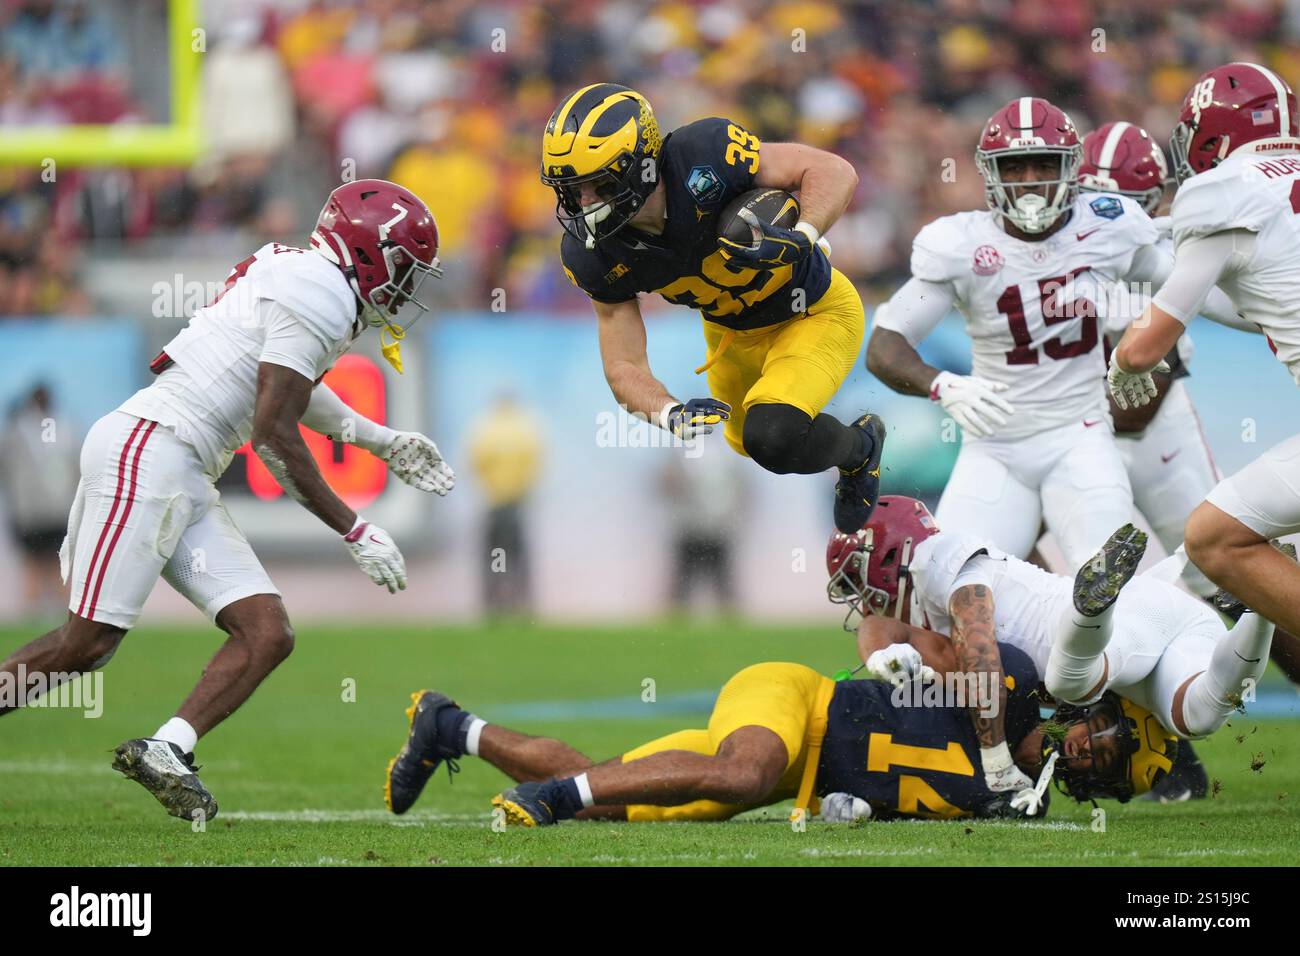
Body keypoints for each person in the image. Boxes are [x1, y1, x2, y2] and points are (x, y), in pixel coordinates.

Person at [0, 179, 455, 822]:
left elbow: (290, 389)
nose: (407, 286)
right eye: (404, 266)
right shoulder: (321, 294)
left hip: (181, 464)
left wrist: (380, 441)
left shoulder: (307, 277)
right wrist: (353, 528)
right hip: (154, 448)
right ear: (369, 250)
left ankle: (167, 749)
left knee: (266, 632)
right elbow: (272, 433)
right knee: (86, 643)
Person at [867, 97, 1243, 570]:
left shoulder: (1117, 238)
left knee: (1195, 574)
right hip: (1023, 438)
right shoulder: (964, 245)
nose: (1031, 185)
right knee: (960, 569)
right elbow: (886, 342)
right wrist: (947, 387)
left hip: (1114, 435)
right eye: (1015, 168)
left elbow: (1184, 299)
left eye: (1043, 166)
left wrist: (1260, 304)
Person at [542, 83, 884, 534]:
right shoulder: (594, 254)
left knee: (772, 436)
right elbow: (623, 365)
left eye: (599, 183)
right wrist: (668, 412)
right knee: (746, 444)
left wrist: (802, 234)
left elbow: (832, 170)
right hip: (729, 336)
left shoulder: (705, 154)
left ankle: (860, 449)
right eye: (572, 189)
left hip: (813, 310)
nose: (586, 203)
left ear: (644, 165)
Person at [383, 638, 1175, 825]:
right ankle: (550, 798)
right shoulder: (1018, 683)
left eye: (1107, 760)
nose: (1091, 748)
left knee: (612, 789)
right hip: (798, 701)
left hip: (805, 776)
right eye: (1106, 732)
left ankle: (451, 726)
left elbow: (908, 802)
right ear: (1092, 710)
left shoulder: (1010, 810)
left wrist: (856, 812)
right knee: (740, 773)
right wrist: (910, 663)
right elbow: (963, 656)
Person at [827, 497, 1279, 805]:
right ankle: (1261, 605)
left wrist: (996, 762)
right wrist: (878, 658)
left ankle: (1089, 607)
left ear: (890, 557)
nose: (860, 599)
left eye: (855, 581)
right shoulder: (922, 608)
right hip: (1162, 637)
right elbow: (875, 626)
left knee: (1070, 681)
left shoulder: (936, 561)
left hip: (1127, 621)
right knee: (1196, 718)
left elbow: (981, 658)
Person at [1109, 62, 1300, 640]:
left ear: (1213, 134)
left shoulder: (1222, 192)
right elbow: (1264, 304)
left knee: (1214, 538)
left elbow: (1145, 347)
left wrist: (1121, 364)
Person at [0, 383, 80, 618]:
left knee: (51, 563)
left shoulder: (62, 428)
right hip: (36, 510)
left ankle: (56, 614)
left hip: (52, 508)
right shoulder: (23, 431)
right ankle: (38, 611)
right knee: (38, 563)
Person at [467, 394, 544, 617]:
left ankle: (494, 603)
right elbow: (535, 464)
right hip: (516, 504)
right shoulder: (524, 431)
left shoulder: (485, 430)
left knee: (494, 558)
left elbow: (475, 462)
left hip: (494, 503)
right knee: (518, 559)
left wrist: (490, 487)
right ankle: (522, 604)